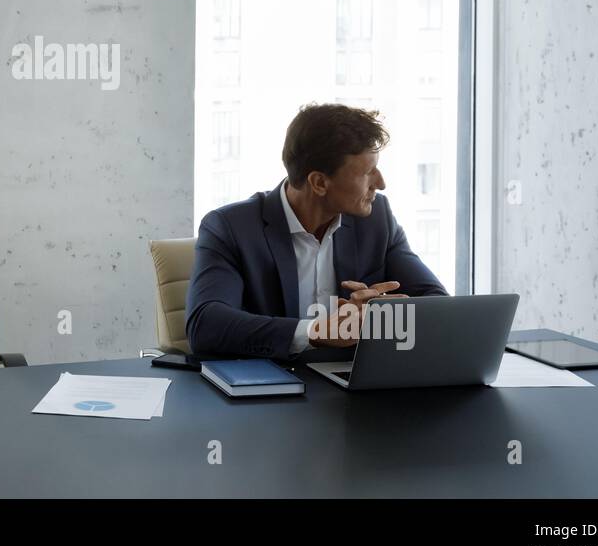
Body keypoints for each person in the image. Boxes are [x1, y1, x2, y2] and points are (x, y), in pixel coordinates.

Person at [185, 102, 447, 359]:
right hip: (268, 388)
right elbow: (206, 325)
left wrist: (381, 318)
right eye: (368, 172)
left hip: (353, 386)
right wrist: (314, 331)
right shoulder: (230, 227)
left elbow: (439, 303)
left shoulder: (376, 219)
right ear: (319, 182)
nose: (381, 183)